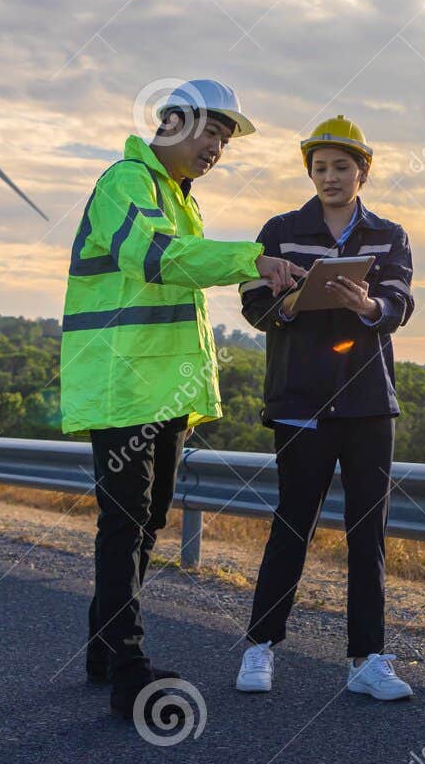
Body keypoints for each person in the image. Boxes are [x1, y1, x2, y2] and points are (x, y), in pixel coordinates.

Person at [61, 79, 304, 722]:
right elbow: (155, 258)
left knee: (145, 523)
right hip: (121, 387)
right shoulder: (126, 182)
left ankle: (103, 649)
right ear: (172, 121)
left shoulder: (176, 197)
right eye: (210, 133)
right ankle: (130, 670)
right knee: (125, 525)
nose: (217, 149)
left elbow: (184, 273)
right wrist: (257, 259)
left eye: (225, 140)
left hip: (159, 390)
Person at [233, 115, 416, 700]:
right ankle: (260, 647)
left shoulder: (390, 236)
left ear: (363, 170)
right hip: (300, 400)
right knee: (293, 525)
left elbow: (400, 303)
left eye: (342, 167)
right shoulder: (281, 230)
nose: (330, 177)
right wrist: (288, 304)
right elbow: (255, 306)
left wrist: (366, 304)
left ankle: (367, 660)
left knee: (369, 535)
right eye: (320, 168)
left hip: (367, 403)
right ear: (309, 172)